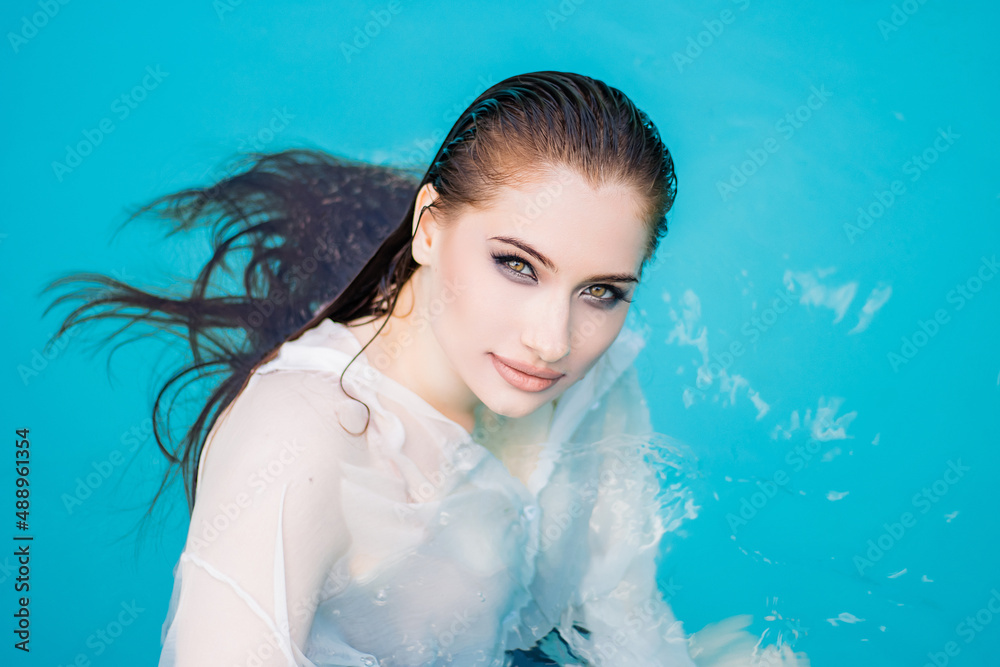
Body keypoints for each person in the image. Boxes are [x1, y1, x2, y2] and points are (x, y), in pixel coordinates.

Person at [46, 71, 809, 666]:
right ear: (430, 227)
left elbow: (622, 610)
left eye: (601, 291)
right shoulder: (303, 436)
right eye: (517, 264)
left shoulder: (593, 379)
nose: (551, 340)